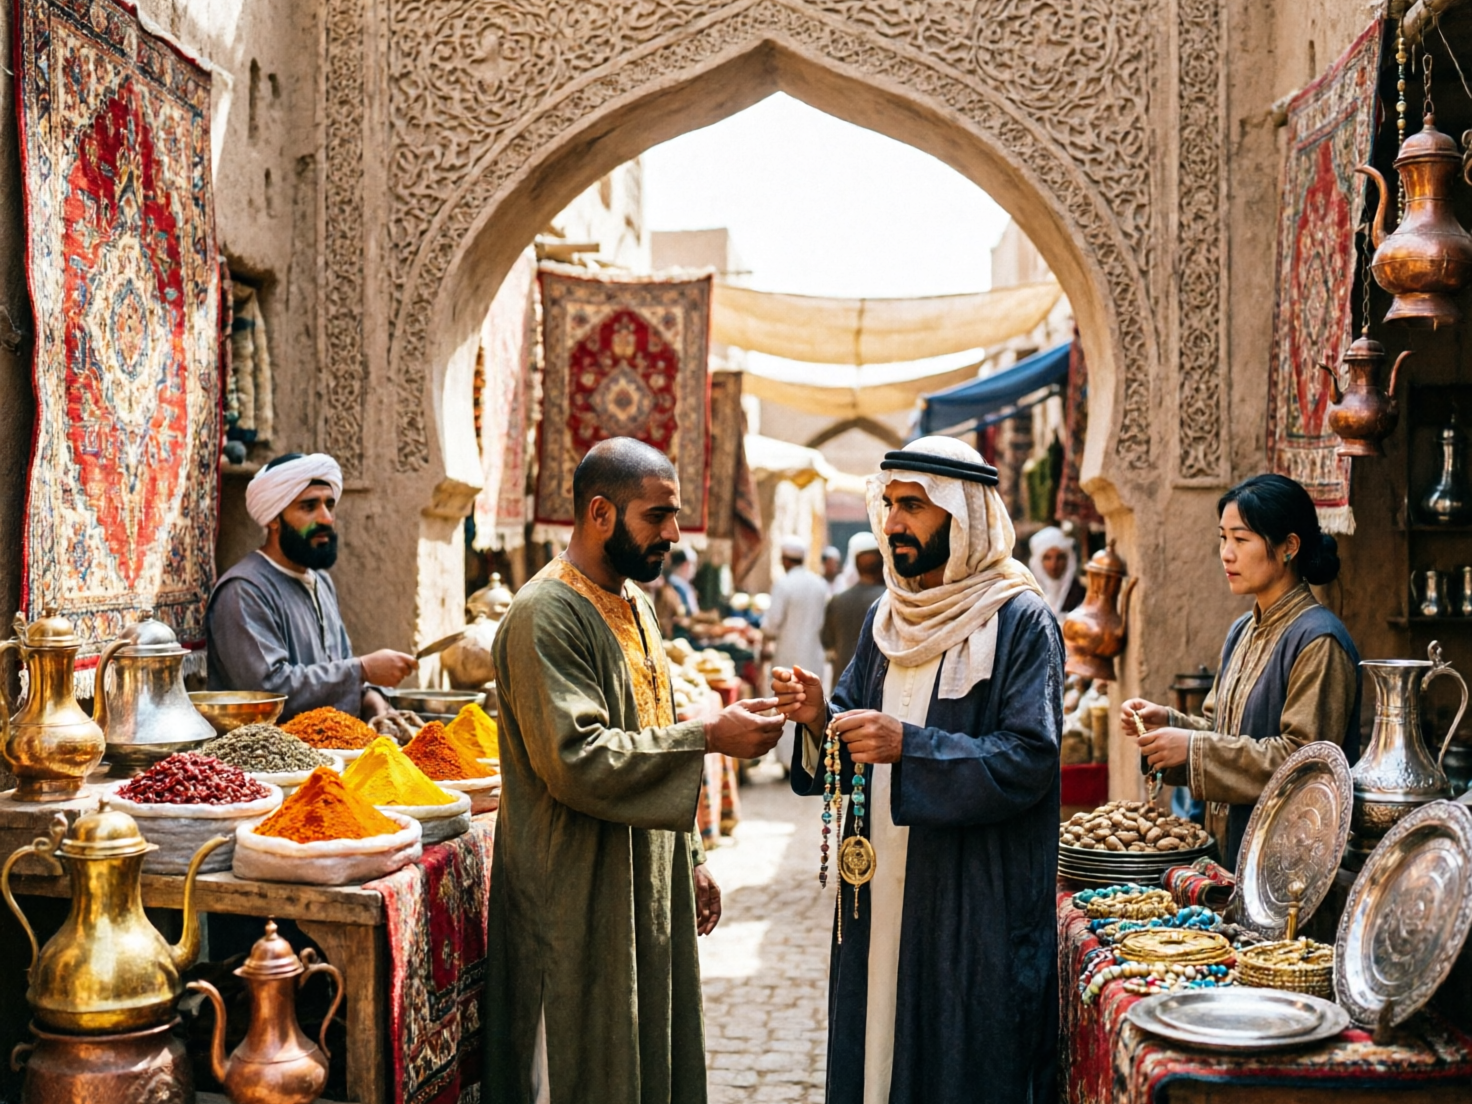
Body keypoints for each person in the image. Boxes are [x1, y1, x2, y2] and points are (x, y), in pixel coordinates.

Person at [484, 437, 785, 1104]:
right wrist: (710, 735)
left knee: (646, 1051)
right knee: (578, 1063)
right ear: (600, 514)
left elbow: (651, 723)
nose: (673, 534)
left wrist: (692, 856)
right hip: (575, 889)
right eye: (658, 516)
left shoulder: (636, 606)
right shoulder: (545, 615)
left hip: (644, 875)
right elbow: (577, 759)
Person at [773, 436, 1063, 1104]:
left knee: (959, 1056)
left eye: (914, 506)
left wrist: (913, 747)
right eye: (891, 505)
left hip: (967, 897)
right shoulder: (886, 618)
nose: (894, 522)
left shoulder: (1020, 621)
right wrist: (820, 718)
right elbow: (853, 729)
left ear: (962, 516)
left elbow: (1030, 759)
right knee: (873, 1049)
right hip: (877, 887)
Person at [1121, 473, 1360, 867]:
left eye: (1241, 539)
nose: (1226, 553)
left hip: (1288, 867)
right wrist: (1169, 724)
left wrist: (1193, 748)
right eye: (1222, 538)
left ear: (1289, 547)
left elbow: (1304, 761)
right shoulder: (1243, 632)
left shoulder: (1319, 639)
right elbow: (1223, 733)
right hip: (1232, 852)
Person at [205, 453, 417, 720]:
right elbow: (268, 692)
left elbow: (335, 667)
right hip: (266, 758)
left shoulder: (321, 582)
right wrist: (362, 670)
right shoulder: (244, 590)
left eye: (329, 505)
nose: (326, 518)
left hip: (326, 750)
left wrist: (369, 697)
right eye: (308, 507)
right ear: (273, 519)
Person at [764, 535, 831, 763]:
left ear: (785, 560)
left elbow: (772, 623)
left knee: (788, 705)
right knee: (811, 706)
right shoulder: (820, 584)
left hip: (788, 655)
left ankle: (788, 761)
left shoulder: (784, 584)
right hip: (814, 654)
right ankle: (808, 760)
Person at [821, 532, 885, 677]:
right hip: (875, 683)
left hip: (843, 682)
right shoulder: (890, 600)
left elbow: (827, 641)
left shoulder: (837, 600)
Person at [1028, 525, 1085, 620]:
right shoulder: (1029, 596)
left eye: (1060, 558)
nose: (1053, 564)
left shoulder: (1080, 594)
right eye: (1047, 558)